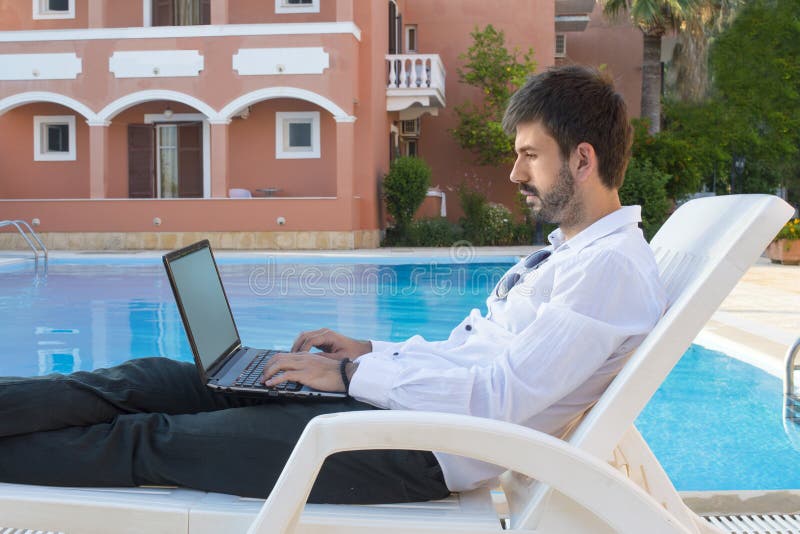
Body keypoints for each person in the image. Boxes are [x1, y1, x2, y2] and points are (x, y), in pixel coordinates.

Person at [0, 65, 665, 504]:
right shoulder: (576, 257)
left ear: (582, 160)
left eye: (529, 155)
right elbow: (473, 362)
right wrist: (366, 351)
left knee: (153, 438)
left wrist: (345, 380)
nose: (516, 174)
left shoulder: (607, 272)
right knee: (147, 380)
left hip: (418, 449)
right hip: (394, 410)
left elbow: (495, 401)